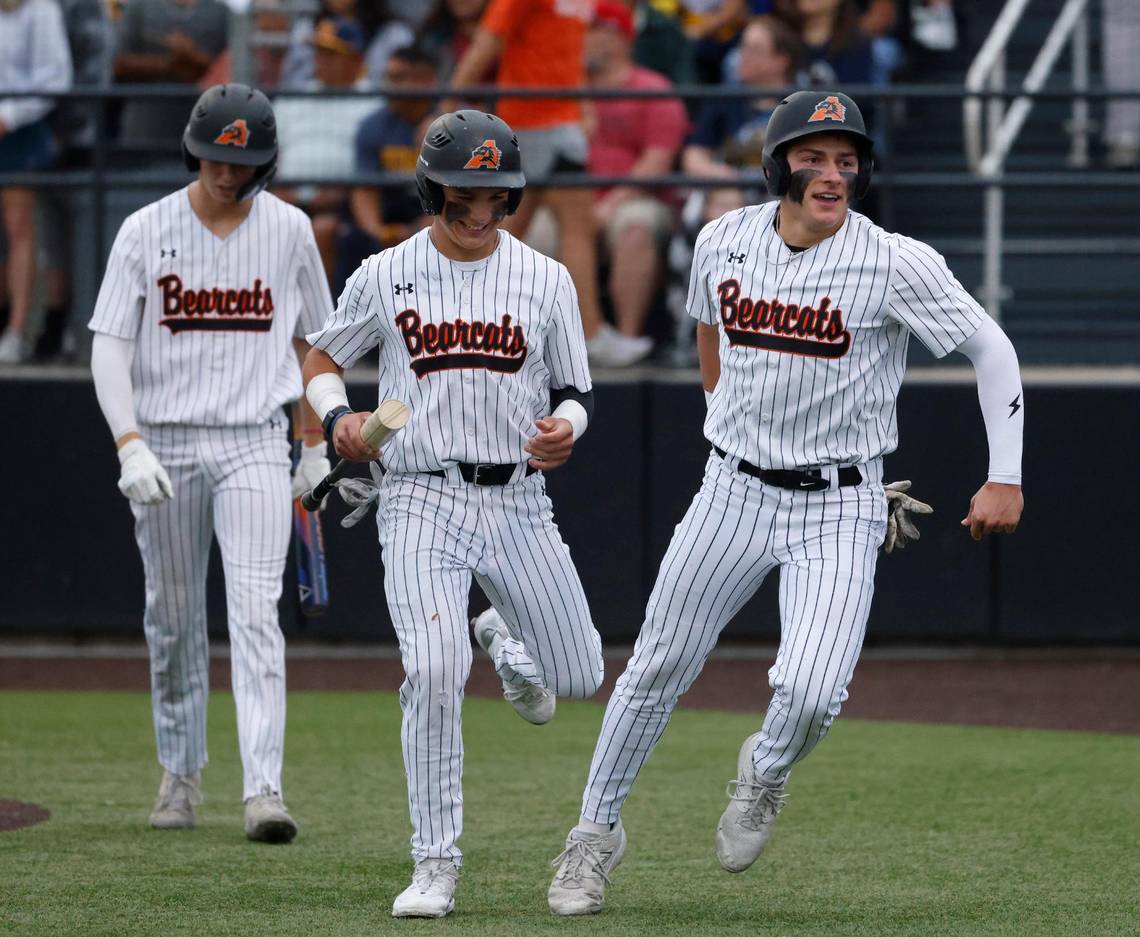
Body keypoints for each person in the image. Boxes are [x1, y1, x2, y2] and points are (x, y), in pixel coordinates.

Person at [546, 90, 1025, 915]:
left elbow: (994, 348)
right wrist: (717, 415)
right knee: (656, 664)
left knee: (811, 690)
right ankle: (593, 834)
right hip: (732, 487)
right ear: (778, 165)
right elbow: (707, 327)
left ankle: (765, 770)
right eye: (814, 156)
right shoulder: (725, 236)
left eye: (847, 160)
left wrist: (1005, 472)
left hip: (840, 502)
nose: (831, 173)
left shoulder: (895, 261)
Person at [301, 109, 605, 919]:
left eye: (495, 198)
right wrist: (337, 421)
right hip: (422, 493)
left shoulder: (544, 277)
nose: (478, 215)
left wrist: (564, 428)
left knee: (578, 674)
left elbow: (577, 390)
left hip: (517, 496)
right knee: (432, 671)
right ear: (431, 190)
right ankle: (435, 862)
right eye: (461, 198)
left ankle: (502, 634)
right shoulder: (388, 271)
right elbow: (322, 356)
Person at [88, 83, 335, 842]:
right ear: (194, 150)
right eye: (217, 159)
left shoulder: (290, 230)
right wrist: (127, 439)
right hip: (162, 435)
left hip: (253, 438)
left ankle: (264, 787)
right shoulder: (144, 228)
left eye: (244, 162)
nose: (228, 174)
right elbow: (109, 342)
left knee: (256, 610)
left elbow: (316, 341)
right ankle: (181, 770)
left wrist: (317, 441)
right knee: (172, 615)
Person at [448, 0, 651, 368]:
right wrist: (444, 109)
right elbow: (488, 43)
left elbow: (568, 55)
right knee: (518, 226)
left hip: (558, 122)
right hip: (530, 120)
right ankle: (586, 335)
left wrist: (582, 107)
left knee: (520, 227)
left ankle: (457, 318)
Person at [586, 2, 689, 351]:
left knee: (636, 229)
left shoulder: (653, 88)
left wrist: (610, 205)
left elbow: (657, 161)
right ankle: (537, 348)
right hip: (571, 201)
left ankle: (626, 341)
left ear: (617, 36)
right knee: (528, 233)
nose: (579, 39)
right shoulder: (567, 90)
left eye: (590, 30)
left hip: (637, 200)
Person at [273, 17, 377, 280]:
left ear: (356, 60)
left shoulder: (374, 104)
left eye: (331, 54)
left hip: (343, 205)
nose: (321, 60)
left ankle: (323, 315)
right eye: (319, 52)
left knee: (323, 227)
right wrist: (277, 185)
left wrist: (343, 190)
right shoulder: (292, 98)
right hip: (286, 199)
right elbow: (271, 154)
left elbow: (371, 165)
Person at [0, 0, 72, 364]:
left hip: (20, 131)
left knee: (19, 229)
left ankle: (15, 331)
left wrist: (8, 117)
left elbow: (54, 78)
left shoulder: (41, 8)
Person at [343, 43, 439, 284]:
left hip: (436, 217)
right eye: (387, 77)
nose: (388, 85)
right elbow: (364, 190)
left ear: (426, 81)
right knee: (354, 241)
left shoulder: (452, 126)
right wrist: (378, 233)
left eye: (398, 78)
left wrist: (420, 231)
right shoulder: (373, 124)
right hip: (388, 214)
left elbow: (460, 196)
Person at [682, 15, 804, 180]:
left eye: (755, 49)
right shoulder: (724, 98)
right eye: (742, 47)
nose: (743, 56)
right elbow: (693, 156)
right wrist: (726, 178)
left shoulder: (802, 106)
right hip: (733, 195)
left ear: (781, 60)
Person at [111, 0, 230, 156]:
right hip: (144, 125)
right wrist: (168, 65)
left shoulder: (221, 13)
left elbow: (230, 68)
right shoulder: (139, 8)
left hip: (200, 129)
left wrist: (190, 54)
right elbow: (119, 64)